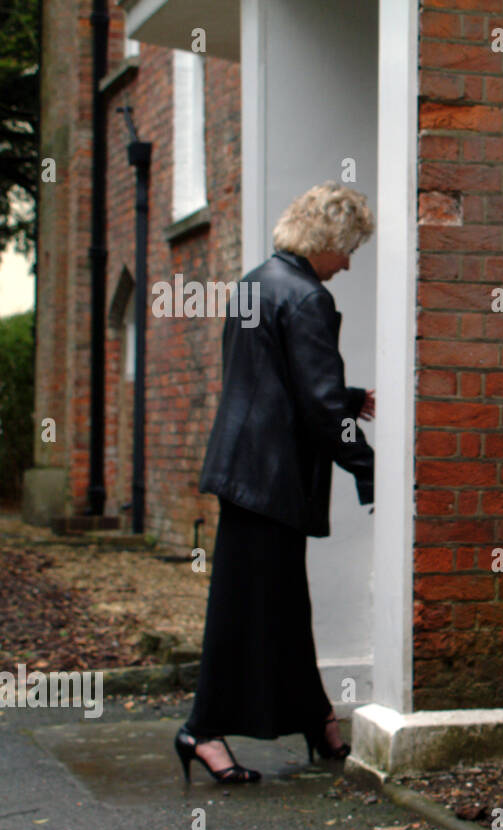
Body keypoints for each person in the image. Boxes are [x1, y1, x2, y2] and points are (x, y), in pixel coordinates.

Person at [174, 181, 376, 784]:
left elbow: (268, 377)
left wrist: (346, 397)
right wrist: (371, 470)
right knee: (247, 610)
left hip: (245, 473)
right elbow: (314, 406)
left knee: (280, 607)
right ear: (327, 241)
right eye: (349, 248)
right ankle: (201, 730)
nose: (349, 261)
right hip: (272, 480)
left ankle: (317, 721)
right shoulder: (309, 298)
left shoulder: (254, 283)